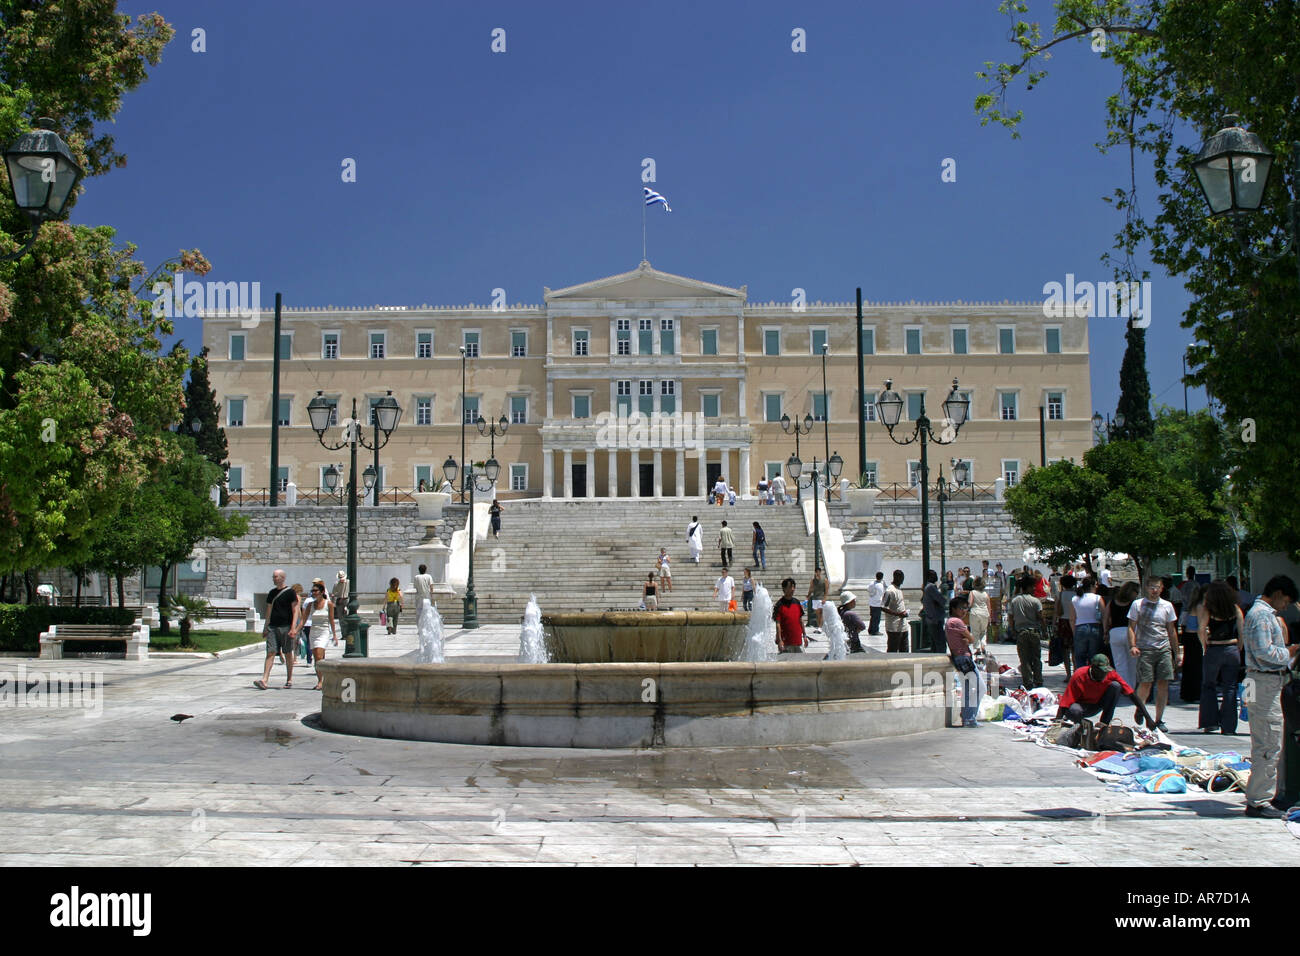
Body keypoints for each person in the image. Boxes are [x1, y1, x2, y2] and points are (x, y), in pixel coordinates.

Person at [1241, 575, 1300, 818]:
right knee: (1268, 741)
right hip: (1264, 682)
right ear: (1276, 593)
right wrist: (1290, 651)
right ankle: (1259, 800)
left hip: (1260, 682)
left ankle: (1262, 794)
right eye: (1285, 601)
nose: (1285, 606)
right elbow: (1264, 652)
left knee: (1265, 739)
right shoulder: (1262, 615)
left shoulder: (1261, 614)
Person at [1126, 576, 1180, 732]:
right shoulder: (1138, 605)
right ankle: (1140, 708)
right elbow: (1131, 626)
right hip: (1145, 648)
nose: (1154, 590)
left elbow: (1171, 629)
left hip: (1163, 648)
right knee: (1146, 683)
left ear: (1162, 588)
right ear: (1147, 588)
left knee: (1163, 683)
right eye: (1151, 587)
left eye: (1157, 587)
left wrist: (1177, 653)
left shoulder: (1167, 606)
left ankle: (1159, 719)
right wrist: (1133, 645)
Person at [1056, 654, 1156, 729]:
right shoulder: (1079, 675)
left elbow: (1131, 694)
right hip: (1080, 707)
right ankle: (1080, 727)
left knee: (1116, 686)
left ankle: (1104, 724)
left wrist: (1148, 718)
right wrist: (1057, 722)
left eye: (1105, 672)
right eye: (1101, 672)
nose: (1104, 675)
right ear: (1093, 668)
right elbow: (1065, 702)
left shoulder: (1110, 674)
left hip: (1096, 705)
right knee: (1075, 710)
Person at [1197, 580, 1244, 735]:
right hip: (1232, 648)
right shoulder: (1235, 609)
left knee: (1208, 685)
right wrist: (1239, 647)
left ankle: (1210, 723)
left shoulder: (1208, 609)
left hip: (1214, 648)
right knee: (1230, 688)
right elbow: (1242, 631)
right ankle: (1229, 727)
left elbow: (1201, 629)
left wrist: (1205, 645)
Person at [255, 569, 300, 690]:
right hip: (273, 627)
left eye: (276, 577)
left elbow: (295, 611)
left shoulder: (290, 592)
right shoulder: (271, 593)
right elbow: (268, 611)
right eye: (273, 577)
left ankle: (289, 679)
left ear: (282, 578)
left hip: (286, 626)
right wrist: (265, 627)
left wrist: (293, 627)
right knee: (270, 652)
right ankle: (264, 680)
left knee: (287, 653)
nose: (274, 579)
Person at [1008, 575, 1046, 690]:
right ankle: (1038, 680)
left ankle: (1028, 682)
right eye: (1032, 587)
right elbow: (1040, 617)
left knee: (1024, 660)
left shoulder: (1015, 601)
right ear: (1027, 587)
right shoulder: (1035, 601)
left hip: (1021, 633)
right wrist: (1044, 630)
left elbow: (1010, 617)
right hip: (1034, 632)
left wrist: (1013, 630)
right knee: (1036, 658)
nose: (1034, 588)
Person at [945, 598, 979, 727]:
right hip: (964, 657)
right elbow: (971, 638)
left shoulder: (950, 622)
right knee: (977, 688)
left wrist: (968, 639)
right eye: (961, 608)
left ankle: (968, 717)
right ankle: (969, 718)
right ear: (953, 609)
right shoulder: (956, 622)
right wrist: (968, 639)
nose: (964, 611)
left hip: (959, 657)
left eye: (966, 608)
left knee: (969, 688)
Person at [1106, 580, 1140, 689]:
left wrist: (1105, 631)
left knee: (1119, 663)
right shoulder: (1134, 604)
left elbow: (1105, 617)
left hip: (1115, 632)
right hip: (1129, 632)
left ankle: (1124, 687)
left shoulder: (1112, 602)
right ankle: (1132, 688)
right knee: (1132, 663)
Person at [1069, 576, 1107, 672]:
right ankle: (1093, 678)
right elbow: (1104, 616)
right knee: (1094, 656)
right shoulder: (1098, 598)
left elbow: (1072, 618)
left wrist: (1075, 631)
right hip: (1095, 628)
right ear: (1092, 586)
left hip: (1080, 627)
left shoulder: (1075, 599)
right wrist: (1105, 631)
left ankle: (1081, 678)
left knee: (1080, 656)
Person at [306, 580, 337, 691]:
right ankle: (321, 679)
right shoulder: (310, 605)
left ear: (322, 591)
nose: (313, 593)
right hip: (313, 632)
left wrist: (334, 635)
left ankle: (320, 682)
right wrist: (295, 630)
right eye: (312, 591)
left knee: (319, 656)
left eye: (316, 590)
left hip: (324, 632)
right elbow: (303, 620)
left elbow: (332, 620)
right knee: (317, 658)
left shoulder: (328, 604)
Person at [773, 578, 806, 653]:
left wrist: (804, 636)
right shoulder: (779, 604)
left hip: (798, 642)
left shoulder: (797, 602)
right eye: (791, 587)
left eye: (794, 587)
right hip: (786, 643)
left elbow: (800, 620)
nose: (793, 589)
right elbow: (778, 624)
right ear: (784, 589)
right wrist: (780, 640)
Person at [882, 569, 909, 652]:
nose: (902, 580)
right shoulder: (890, 591)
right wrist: (898, 614)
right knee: (893, 650)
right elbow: (883, 607)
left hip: (903, 626)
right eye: (901, 578)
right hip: (894, 627)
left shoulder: (899, 589)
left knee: (904, 650)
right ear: (896, 577)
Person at [921, 569, 946, 653]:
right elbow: (942, 600)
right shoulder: (931, 587)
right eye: (933, 575)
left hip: (932, 619)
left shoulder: (927, 587)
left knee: (935, 643)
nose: (936, 577)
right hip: (935, 619)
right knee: (940, 642)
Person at [966, 577, 990, 653]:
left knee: (975, 631)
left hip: (975, 613)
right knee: (983, 631)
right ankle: (983, 645)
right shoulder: (986, 594)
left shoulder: (972, 592)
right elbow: (989, 605)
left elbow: (970, 603)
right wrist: (989, 616)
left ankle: (977, 648)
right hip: (984, 613)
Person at [986, 563, 1004, 642]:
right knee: (988, 622)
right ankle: (989, 638)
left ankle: (996, 638)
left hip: (995, 602)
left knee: (996, 622)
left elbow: (999, 591)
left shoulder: (997, 581)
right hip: (989, 603)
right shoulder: (986, 582)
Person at [806, 568, 828, 632]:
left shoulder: (824, 580)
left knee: (820, 613)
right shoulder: (813, 580)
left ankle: (820, 627)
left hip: (821, 598)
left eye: (818, 571)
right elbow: (811, 589)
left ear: (820, 572)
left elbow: (826, 590)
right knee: (817, 614)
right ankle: (819, 627)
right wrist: (808, 596)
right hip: (815, 598)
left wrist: (825, 598)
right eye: (816, 572)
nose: (817, 573)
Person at [866, 571, 885, 636]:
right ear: (882, 577)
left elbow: (868, 589)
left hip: (871, 603)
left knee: (872, 617)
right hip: (877, 604)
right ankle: (875, 630)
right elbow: (882, 594)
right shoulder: (880, 585)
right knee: (877, 618)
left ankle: (870, 630)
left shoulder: (872, 583)